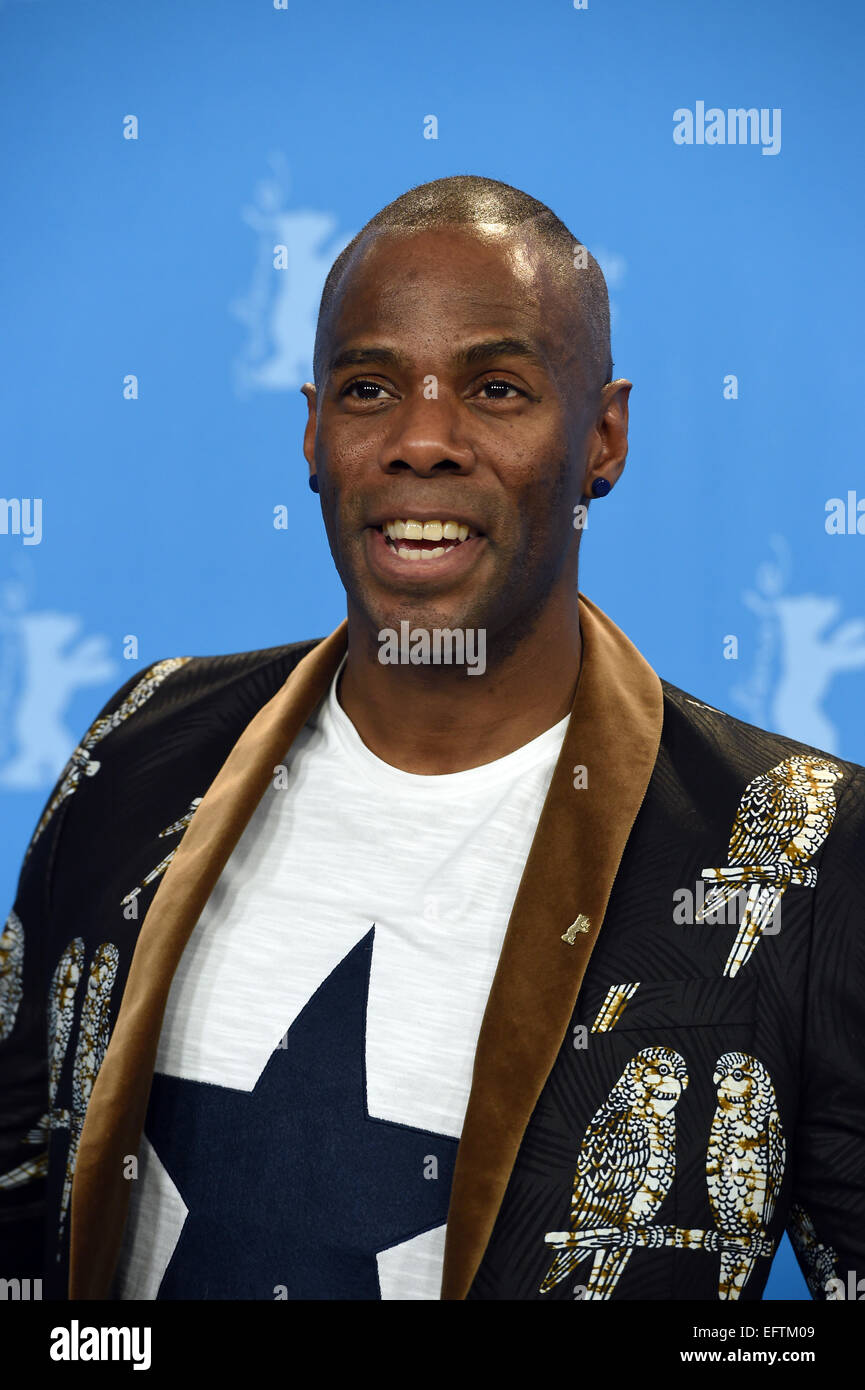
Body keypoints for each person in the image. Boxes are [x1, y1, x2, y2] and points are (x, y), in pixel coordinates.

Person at [1, 175, 863, 1302]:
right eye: (369, 389)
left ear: (603, 437)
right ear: (312, 431)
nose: (421, 440)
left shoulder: (798, 845)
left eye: (494, 387)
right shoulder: (142, 739)